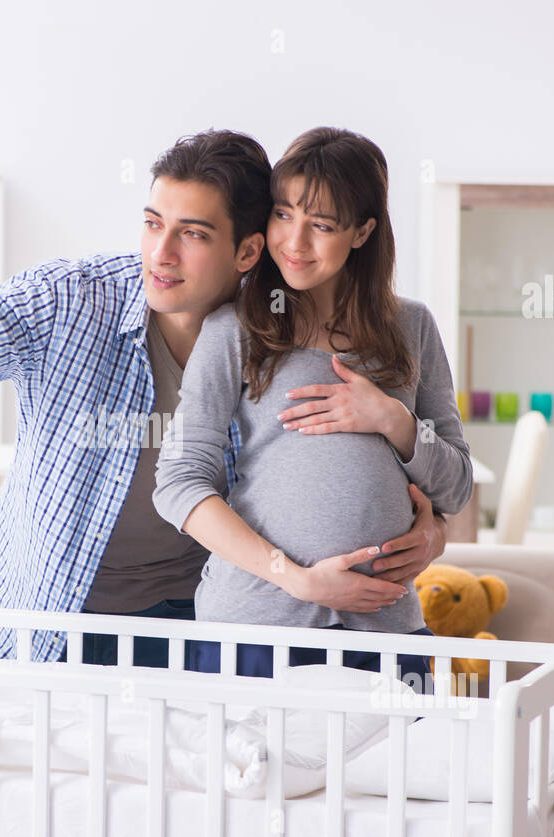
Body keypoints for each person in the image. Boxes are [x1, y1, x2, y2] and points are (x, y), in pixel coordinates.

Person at [0, 129, 450, 665]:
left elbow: (375, 470)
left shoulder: (280, 327)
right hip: (58, 614)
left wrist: (431, 531)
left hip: (199, 622)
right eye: (153, 224)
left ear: (248, 250)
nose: (161, 253)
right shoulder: (67, 299)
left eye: (193, 234)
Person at [153, 126, 474, 683]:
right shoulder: (235, 330)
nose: (295, 242)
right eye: (283, 215)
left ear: (362, 231)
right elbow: (179, 481)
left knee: (397, 772)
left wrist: (393, 421)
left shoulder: (412, 326)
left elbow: (457, 487)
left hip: (385, 629)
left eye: (321, 225)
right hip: (257, 626)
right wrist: (296, 579)